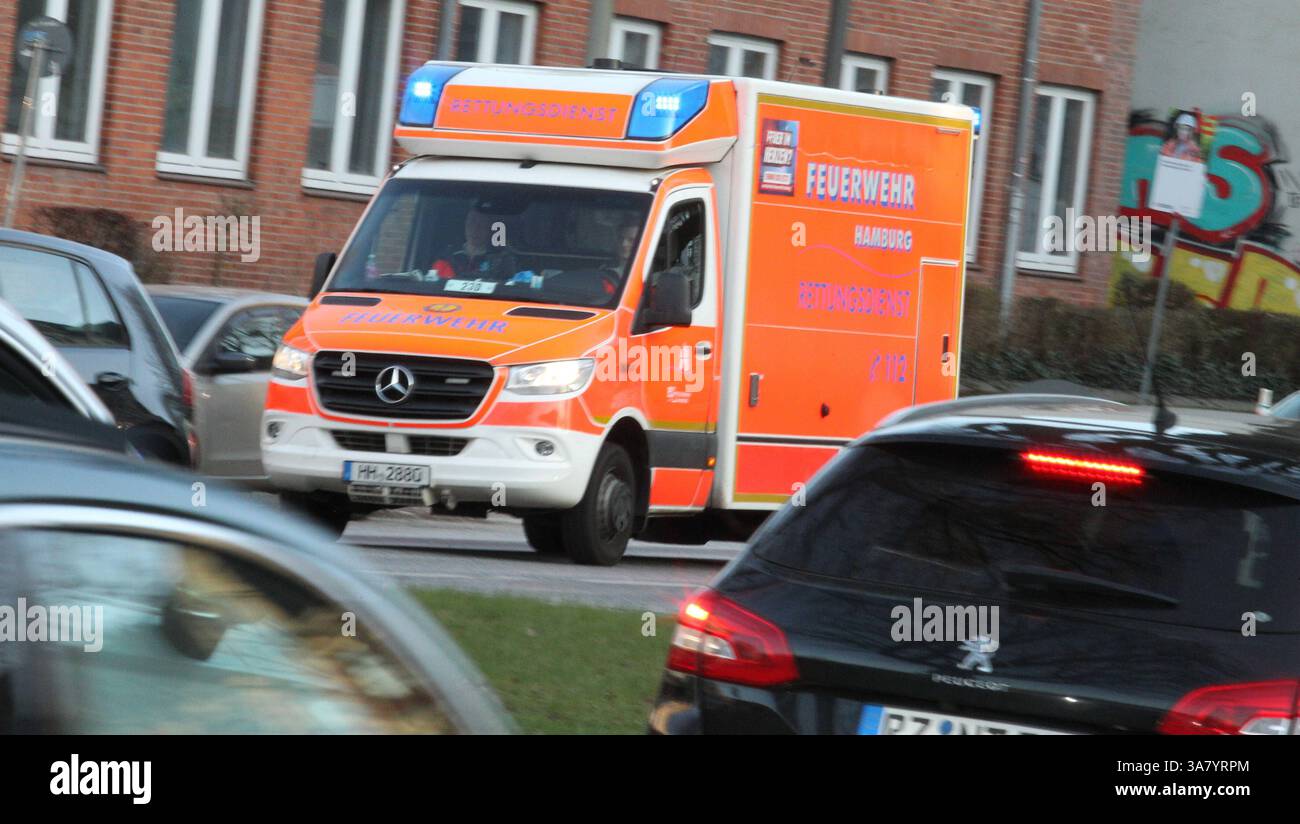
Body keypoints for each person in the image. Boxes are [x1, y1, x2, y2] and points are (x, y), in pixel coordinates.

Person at [431, 202, 522, 281]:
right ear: (465, 225)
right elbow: (433, 285)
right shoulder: (447, 256)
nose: (474, 229)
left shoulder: (502, 260)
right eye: (471, 223)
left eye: (481, 225)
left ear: (490, 229)